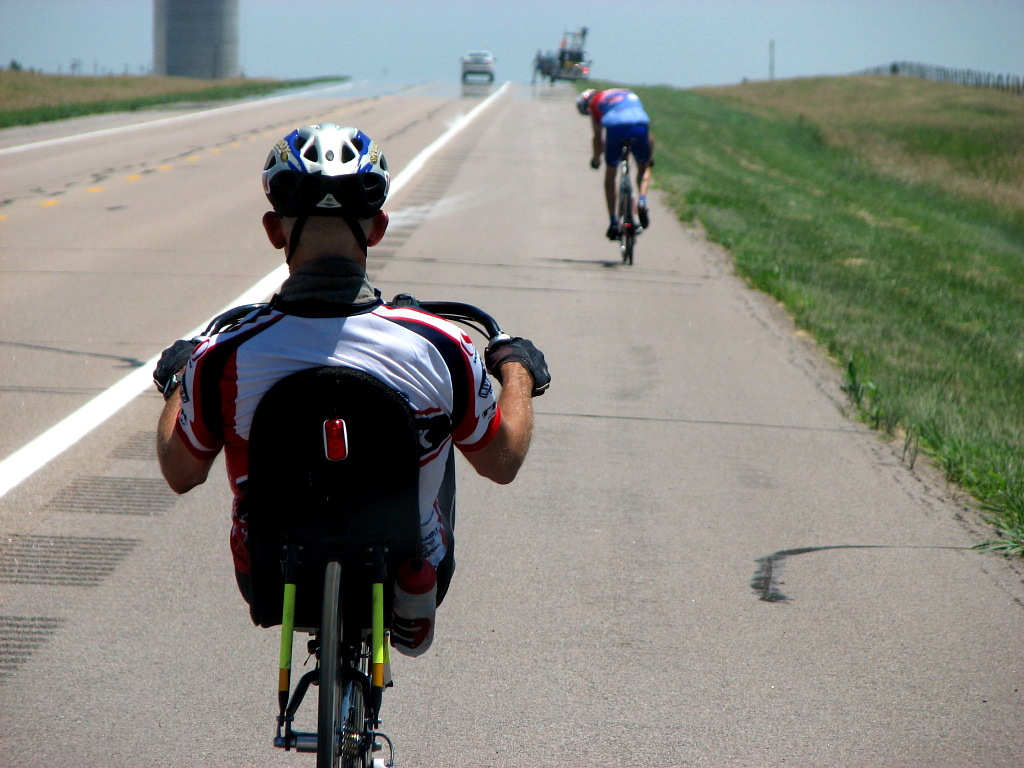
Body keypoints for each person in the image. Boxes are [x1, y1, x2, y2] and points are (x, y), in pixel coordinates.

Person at [154, 123, 550, 656]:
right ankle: (414, 601)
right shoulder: (442, 344)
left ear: (275, 230)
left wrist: (179, 380)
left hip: (272, 572)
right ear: (379, 226)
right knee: (448, 432)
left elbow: (180, 473)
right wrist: (517, 371)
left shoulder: (222, 355)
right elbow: (503, 462)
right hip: (408, 563)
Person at [576, 88, 655, 239]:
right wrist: (649, 158)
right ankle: (642, 200)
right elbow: (650, 137)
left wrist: (596, 159)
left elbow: (598, 138)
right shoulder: (629, 94)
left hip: (615, 128)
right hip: (640, 124)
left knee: (611, 175)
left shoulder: (596, 102)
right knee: (643, 168)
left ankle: (613, 221)